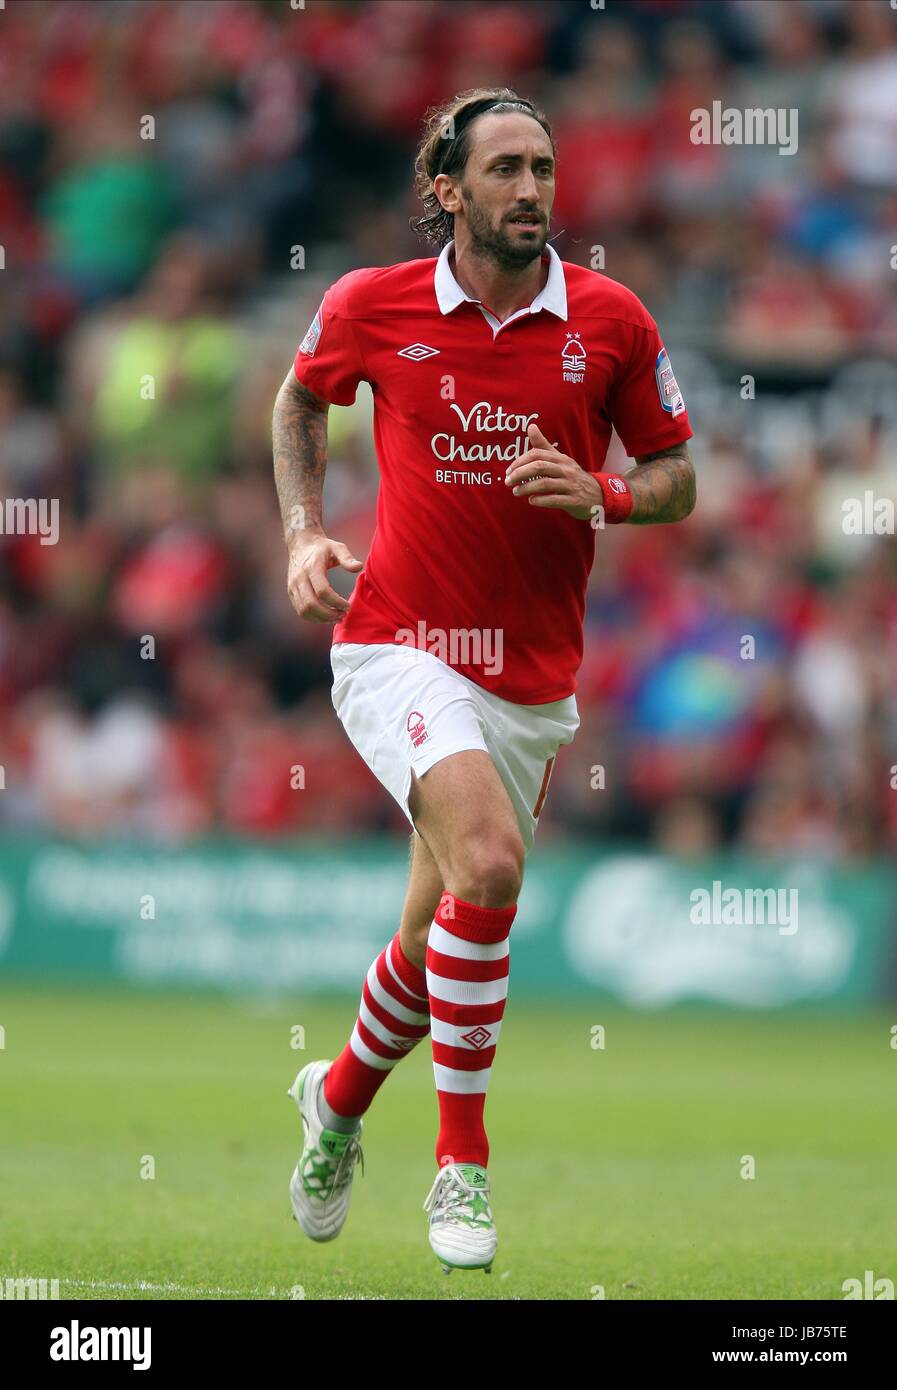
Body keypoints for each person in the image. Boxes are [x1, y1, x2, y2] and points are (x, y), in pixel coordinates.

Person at [272, 87, 695, 1275]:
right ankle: (462, 1163)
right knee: (494, 867)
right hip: (398, 641)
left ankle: (335, 1104)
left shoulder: (611, 319)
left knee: (436, 934)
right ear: (447, 191)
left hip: (530, 681)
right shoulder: (373, 303)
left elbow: (676, 476)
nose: (531, 189)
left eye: (544, 167)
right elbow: (300, 397)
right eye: (505, 168)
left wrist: (605, 491)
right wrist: (303, 532)